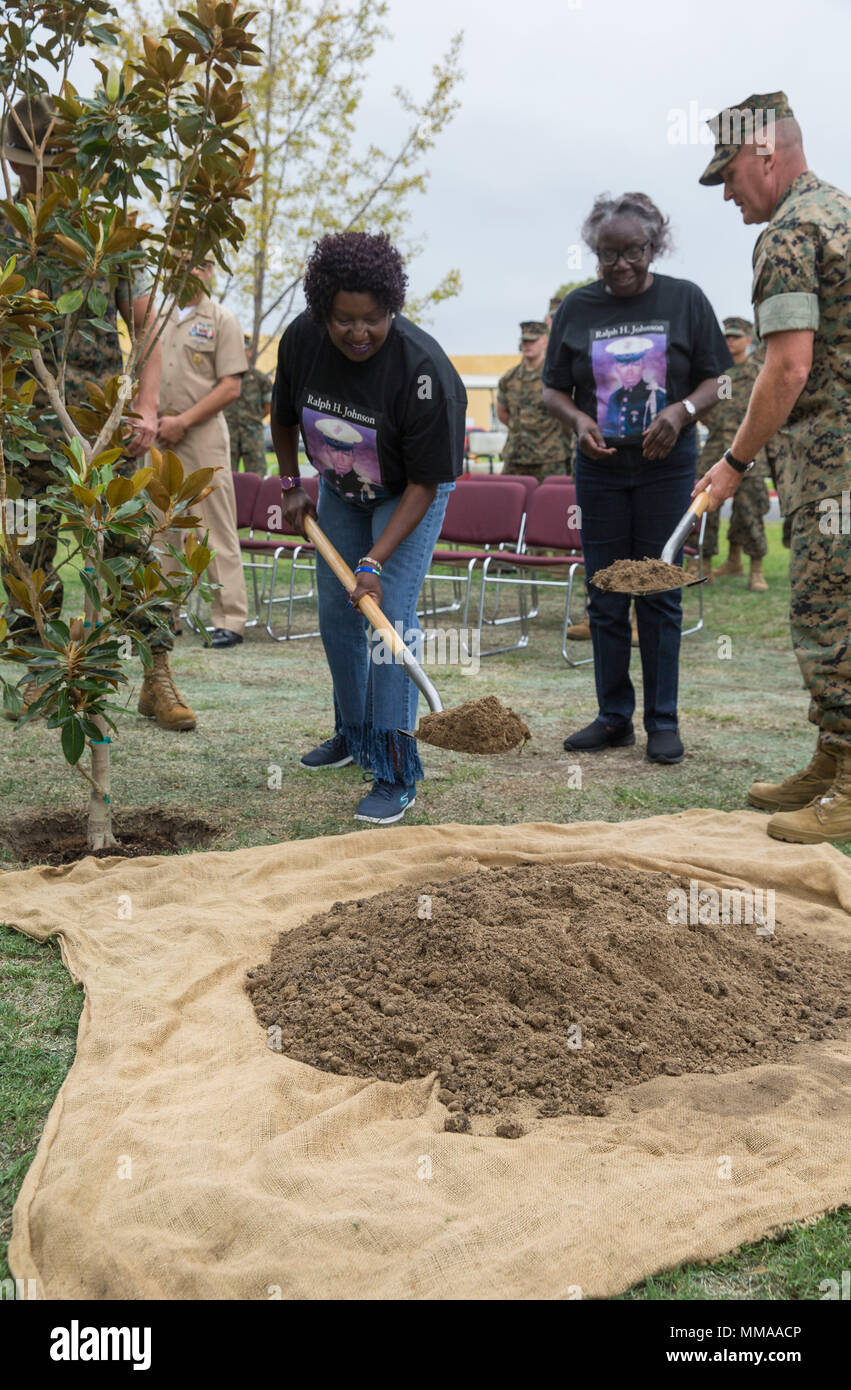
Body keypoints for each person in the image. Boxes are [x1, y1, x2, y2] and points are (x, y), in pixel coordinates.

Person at [0, 97, 197, 734]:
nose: (45, 174)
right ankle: (41, 667)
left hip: (101, 433)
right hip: (21, 437)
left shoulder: (106, 230)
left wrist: (144, 408)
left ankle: (156, 676)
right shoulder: (3, 232)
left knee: (131, 550)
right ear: (12, 162)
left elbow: (148, 328)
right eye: (33, 162)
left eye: (57, 161)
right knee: (23, 549)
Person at [696, 90, 851, 843]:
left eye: (728, 173)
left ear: (763, 151)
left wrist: (733, 462)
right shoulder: (840, 213)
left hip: (832, 467)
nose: (726, 193)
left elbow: (787, 368)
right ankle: (833, 759)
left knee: (829, 615)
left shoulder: (789, 232)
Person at [271, 230, 466, 824]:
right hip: (339, 490)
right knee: (336, 615)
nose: (359, 333)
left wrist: (374, 562)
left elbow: (425, 483)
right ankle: (354, 734)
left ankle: (395, 767)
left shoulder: (423, 371)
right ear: (322, 312)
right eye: (344, 320)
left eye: (373, 320)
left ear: (392, 308)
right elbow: (283, 416)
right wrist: (290, 484)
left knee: (387, 622)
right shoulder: (302, 340)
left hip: (406, 495)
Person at [542, 191, 732, 764]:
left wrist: (681, 411)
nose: (621, 264)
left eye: (633, 251)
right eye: (608, 254)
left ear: (655, 246)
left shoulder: (685, 300)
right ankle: (613, 718)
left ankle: (663, 722)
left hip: (664, 469)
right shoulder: (577, 308)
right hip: (599, 470)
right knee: (604, 594)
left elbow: (720, 383)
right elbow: (552, 390)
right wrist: (579, 421)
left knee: (658, 592)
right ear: (595, 252)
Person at [157, 257, 250, 650]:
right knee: (161, 527)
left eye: (196, 264)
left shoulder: (222, 320)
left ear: (209, 270)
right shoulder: (157, 317)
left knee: (213, 527)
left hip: (203, 434)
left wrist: (183, 421)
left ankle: (230, 619)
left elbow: (231, 387)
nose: (187, 270)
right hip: (159, 434)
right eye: (177, 262)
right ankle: (163, 614)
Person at [698, 317, 770, 589]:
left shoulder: (759, 372)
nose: (730, 341)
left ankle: (755, 569)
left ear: (748, 340)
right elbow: (702, 409)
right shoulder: (714, 372)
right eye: (726, 336)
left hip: (749, 450)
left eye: (736, 337)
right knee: (704, 505)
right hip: (715, 447)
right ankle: (703, 564)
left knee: (750, 508)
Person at [496, 321, 571, 479]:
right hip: (516, 456)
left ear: (544, 341)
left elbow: (567, 416)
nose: (527, 345)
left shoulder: (555, 376)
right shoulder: (509, 378)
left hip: (549, 458)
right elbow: (502, 413)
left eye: (532, 340)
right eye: (524, 341)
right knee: (506, 494)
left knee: (552, 495)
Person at [224, 336, 272, 475]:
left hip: (252, 436)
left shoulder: (260, 379)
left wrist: (252, 419)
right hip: (228, 435)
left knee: (257, 476)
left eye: (242, 350)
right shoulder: (224, 378)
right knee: (225, 476)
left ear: (249, 352)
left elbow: (269, 406)